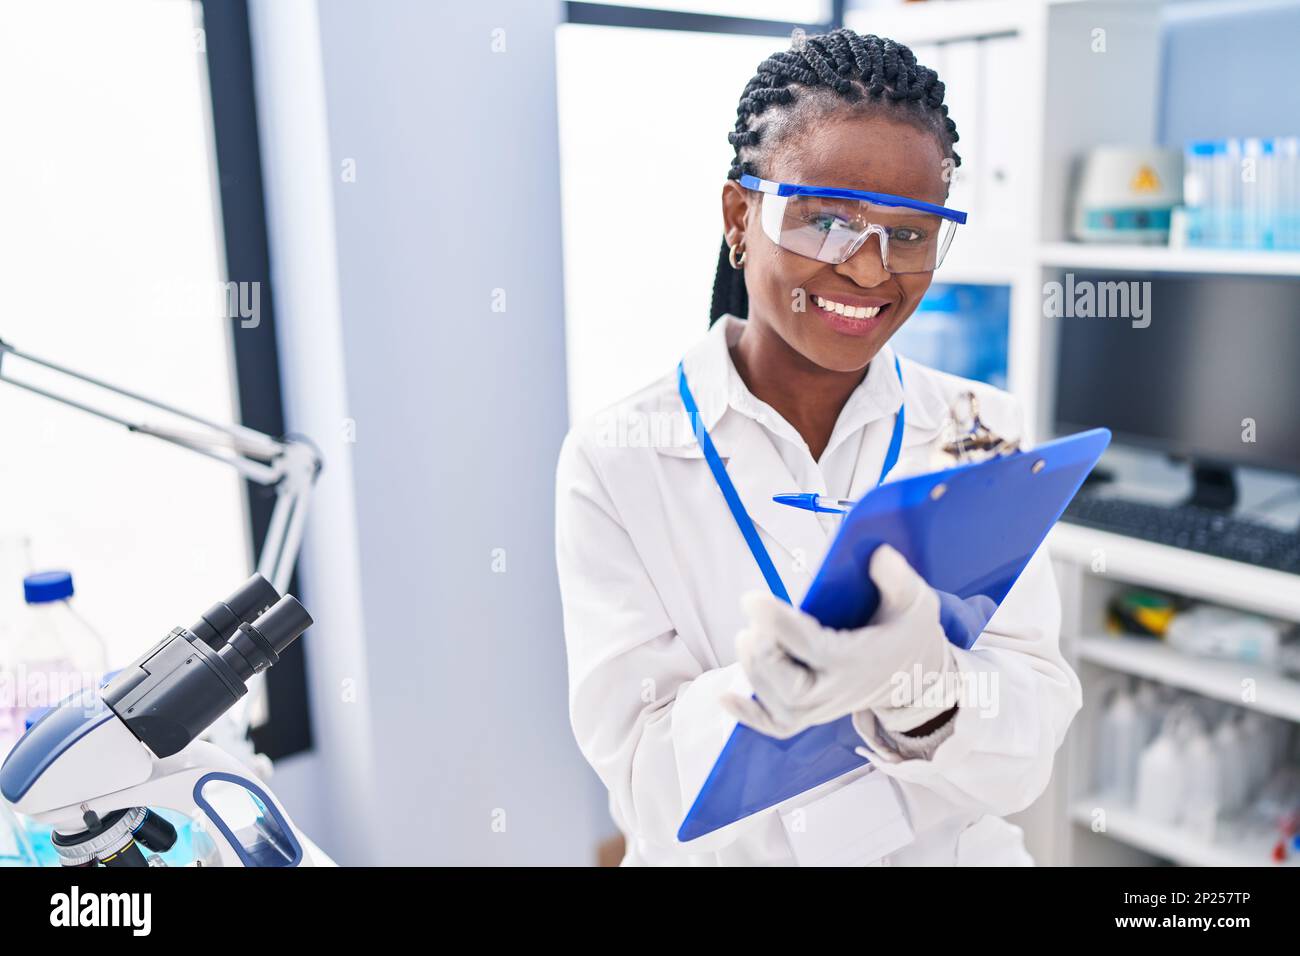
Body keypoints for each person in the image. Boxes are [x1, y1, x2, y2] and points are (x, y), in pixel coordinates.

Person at [555, 28, 1080, 866]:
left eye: (910, 233)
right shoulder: (618, 457)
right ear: (740, 216)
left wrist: (930, 693)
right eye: (826, 220)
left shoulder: (979, 432)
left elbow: (1030, 752)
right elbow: (646, 789)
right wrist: (767, 687)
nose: (870, 272)